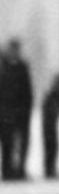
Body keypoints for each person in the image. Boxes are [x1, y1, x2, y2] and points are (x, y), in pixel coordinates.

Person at [0, 39, 34, 180]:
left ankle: (20, 170)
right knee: (7, 143)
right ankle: (8, 171)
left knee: (23, 142)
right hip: (6, 112)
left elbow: (27, 91)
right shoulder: (3, 67)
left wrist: (27, 108)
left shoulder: (22, 67)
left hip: (21, 112)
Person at [41, 73, 59, 179]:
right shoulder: (56, 93)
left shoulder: (55, 93)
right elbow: (54, 109)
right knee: (52, 146)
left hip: (50, 123)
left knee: (52, 146)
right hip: (49, 124)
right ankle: (49, 169)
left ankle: (50, 168)